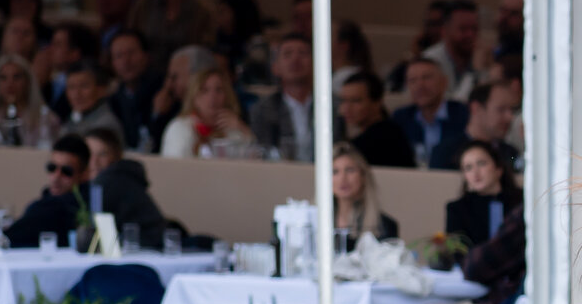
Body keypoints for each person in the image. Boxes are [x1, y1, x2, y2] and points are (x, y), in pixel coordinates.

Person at [80, 126, 169, 250]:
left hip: (146, 250)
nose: (94, 161)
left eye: (103, 154)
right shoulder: (114, 179)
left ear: (116, 156)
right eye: (89, 154)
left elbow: (93, 236)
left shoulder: (110, 180)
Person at [6, 134, 90, 248]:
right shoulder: (42, 204)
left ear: (84, 174)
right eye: (52, 168)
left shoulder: (87, 208)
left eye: (66, 171)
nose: (56, 177)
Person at [441, 140, 521, 256]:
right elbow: (457, 253)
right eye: (468, 168)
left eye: (481, 163)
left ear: (498, 168)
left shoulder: (521, 202)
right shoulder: (457, 209)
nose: (475, 172)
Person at [158, 67, 252, 159]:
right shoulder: (180, 128)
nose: (212, 97)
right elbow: (174, 169)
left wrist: (243, 131)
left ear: (227, 95)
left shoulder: (234, 129)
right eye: (204, 90)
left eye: (219, 90)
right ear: (194, 97)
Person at [392, 57, 468, 167]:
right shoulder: (400, 118)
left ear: (444, 82)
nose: (420, 86)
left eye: (427, 78)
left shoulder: (463, 114)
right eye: (413, 80)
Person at [249, 32, 314, 162]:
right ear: (275, 67)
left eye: (303, 53)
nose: (296, 59)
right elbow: (264, 154)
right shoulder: (262, 109)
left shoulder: (332, 106)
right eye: (287, 54)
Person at [0, 53, 60, 146]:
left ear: (28, 82)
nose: (10, 84)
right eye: (3, 78)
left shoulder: (45, 118)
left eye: (16, 77)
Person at [432, 80, 519, 172]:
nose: (510, 117)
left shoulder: (510, 153)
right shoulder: (446, 153)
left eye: (512, 110)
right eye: (501, 109)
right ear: (476, 108)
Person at [338, 71, 417, 169]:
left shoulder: (385, 137)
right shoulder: (391, 130)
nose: (347, 108)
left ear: (377, 102)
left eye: (356, 100)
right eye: (343, 101)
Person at [328, 142, 400, 246]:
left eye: (350, 170)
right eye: (335, 172)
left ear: (363, 176)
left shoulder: (384, 226)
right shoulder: (312, 223)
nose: (342, 179)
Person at [103, 27, 158, 150]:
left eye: (131, 53)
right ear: (112, 63)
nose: (126, 61)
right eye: (118, 56)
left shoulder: (162, 92)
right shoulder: (113, 100)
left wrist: (157, 115)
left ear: (146, 55)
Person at [423, 0, 483, 102]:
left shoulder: (484, 57)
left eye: (474, 29)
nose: (470, 35)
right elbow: (453, 108)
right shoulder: (429, 62)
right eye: (463, 29)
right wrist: (474, 73)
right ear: (444, 30)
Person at [57, 63, 122, 140]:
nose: (77, 94)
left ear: (101, 90)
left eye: (84, 86)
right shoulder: (73, 118)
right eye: (71, 87)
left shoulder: (106, 125)